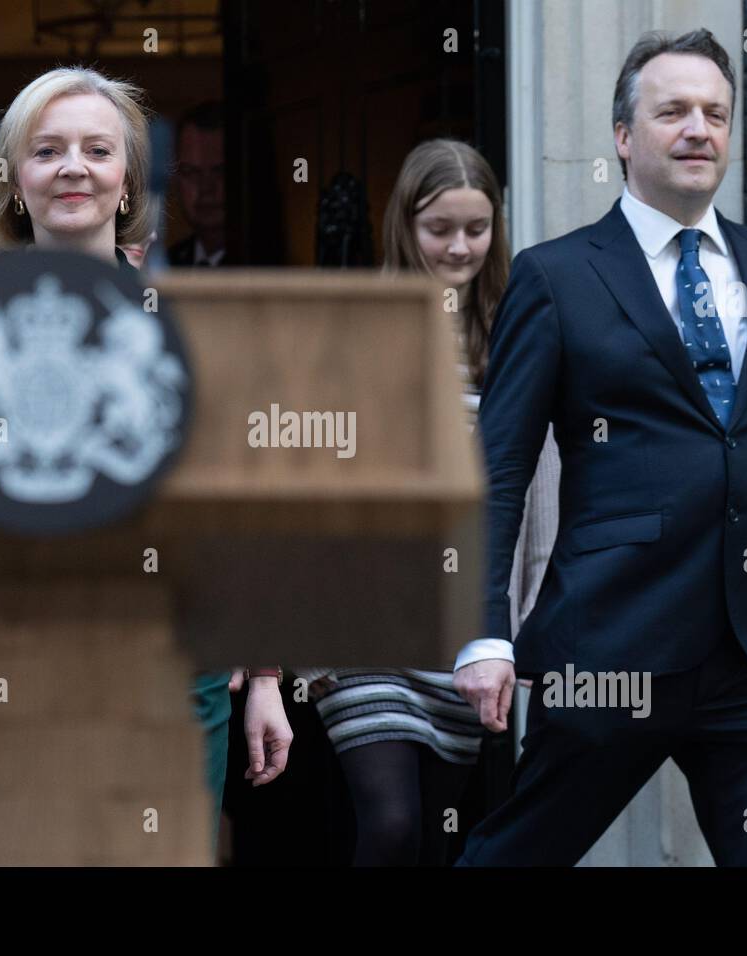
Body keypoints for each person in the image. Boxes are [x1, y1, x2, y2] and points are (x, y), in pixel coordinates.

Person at [453, 29, 747, 866]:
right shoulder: (558, 275)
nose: (698, 129)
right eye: (673, 110)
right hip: (613, 645)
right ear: (623, 136)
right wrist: (485, 633)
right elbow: (496, 473)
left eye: (715, 113)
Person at [0, 67, 293, 852]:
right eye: (47, 150)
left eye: (96, 150)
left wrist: (269, 676)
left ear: (127, 179)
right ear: (13, 180)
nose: (73, 166)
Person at [300, 139, 559, 866]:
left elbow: (539, 498)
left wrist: (527, 625)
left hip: (466, 629)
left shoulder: (516, 333)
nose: (458, 247)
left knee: (439, 838)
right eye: (438, 228)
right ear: (402, 228)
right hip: (368, 625)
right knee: (390, 826)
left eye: (476, 229)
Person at [167, 102, 226, 267]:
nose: (205, 187)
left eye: (220, 171)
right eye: (190, 172)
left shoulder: (273, 267)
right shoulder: (166, 267)